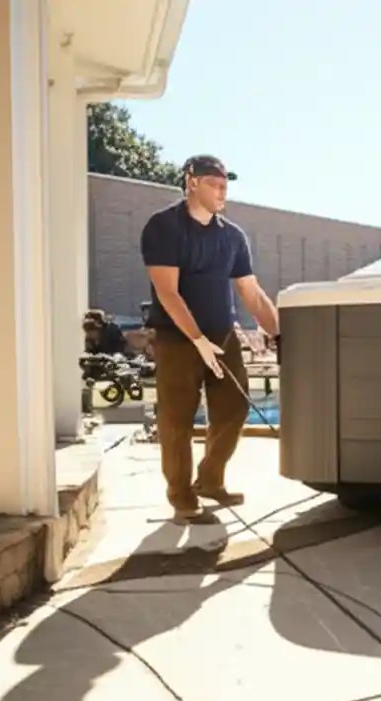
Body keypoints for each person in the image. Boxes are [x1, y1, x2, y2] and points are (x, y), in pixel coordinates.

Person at [141, 154, 280, 524]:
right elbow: (168, 293)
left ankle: (210, 480)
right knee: (177, 420)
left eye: (225, 186)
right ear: (191, 182)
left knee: (234, 410)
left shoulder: (232, 237)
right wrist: (197, 339)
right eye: (215, 184)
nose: (222, 192)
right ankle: (182, 496)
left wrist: (279, 333)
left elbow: (251, 292)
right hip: (177, 337)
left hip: (223, 335)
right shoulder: (163, 227)